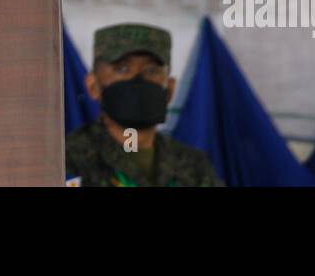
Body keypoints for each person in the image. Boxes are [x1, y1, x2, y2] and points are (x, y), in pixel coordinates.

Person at [65, 22, 224, 186]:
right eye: (122, 69)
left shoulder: (194, 166)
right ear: (93, 86)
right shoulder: (65, 161)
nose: (137, 80)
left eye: (151, 70)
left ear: (169, 89)